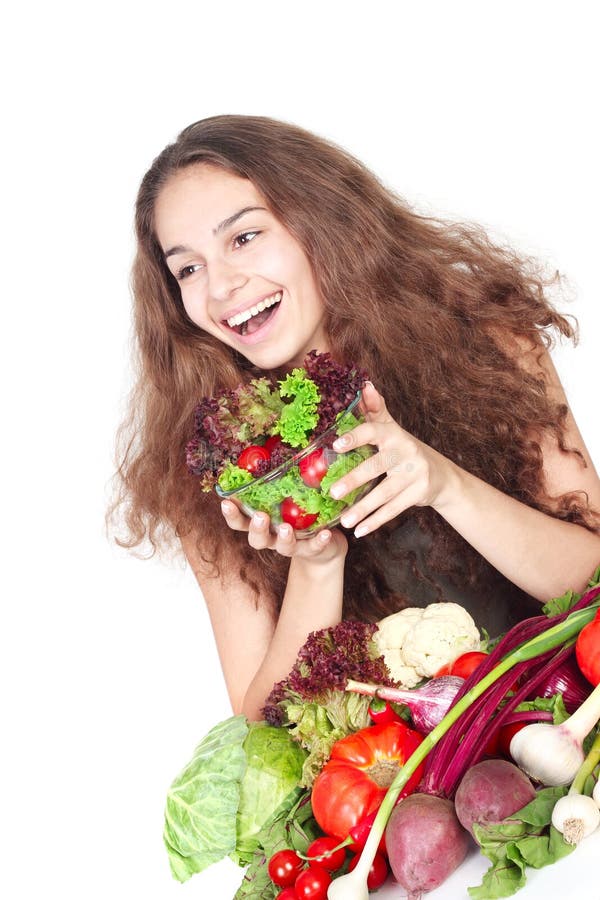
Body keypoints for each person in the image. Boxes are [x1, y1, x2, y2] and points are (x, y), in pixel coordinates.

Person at [110, 115, 600, 721]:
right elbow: (262, 727)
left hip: (574, 726)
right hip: (394, 784)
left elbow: (592, 576)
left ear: (322, 220)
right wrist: (316, 565)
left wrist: (445, 484)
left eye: (243, 238)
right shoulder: (214, 469)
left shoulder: (491, 343)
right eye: (187, 268)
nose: (221, 287)